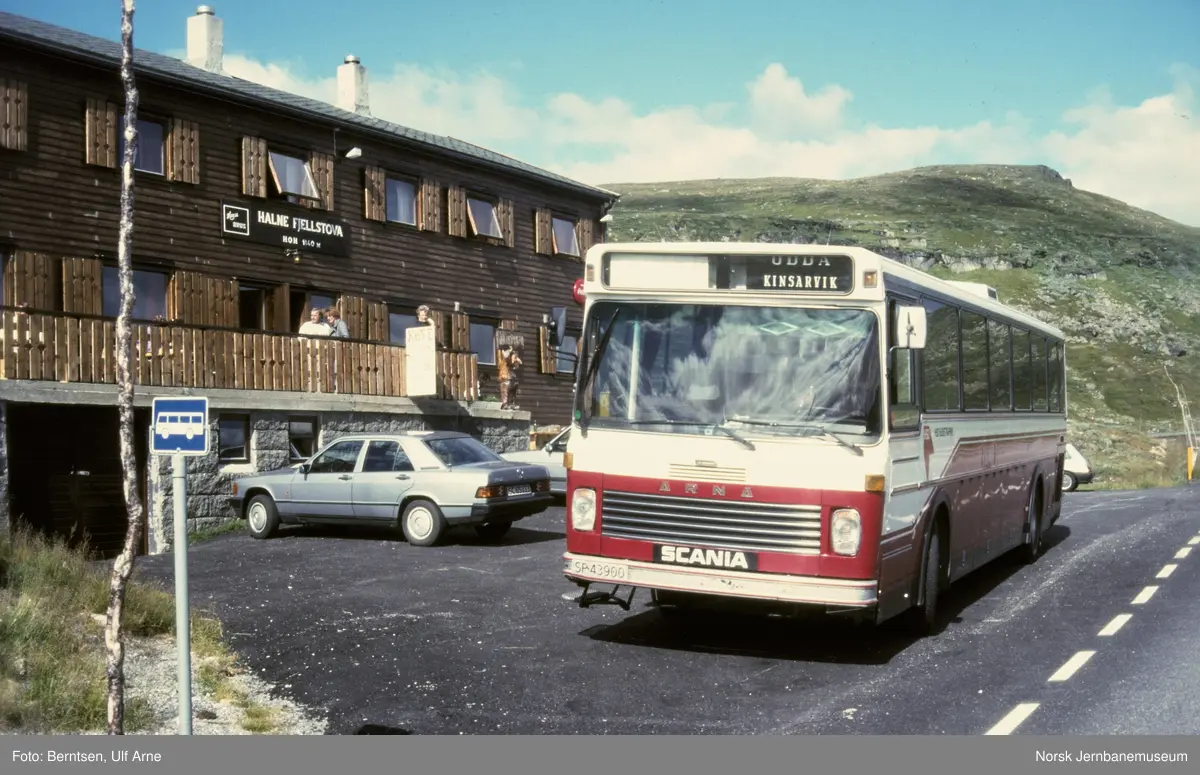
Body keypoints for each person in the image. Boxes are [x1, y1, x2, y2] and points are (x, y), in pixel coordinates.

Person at [497, 343, 522, 409]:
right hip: (505, 378)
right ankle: (508, 404)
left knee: (506, 392)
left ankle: (509, 404)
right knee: (505, 391)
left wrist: (512, 354)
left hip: (507, 378)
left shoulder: (507, 358)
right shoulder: (503, 358)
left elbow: (517, 362)